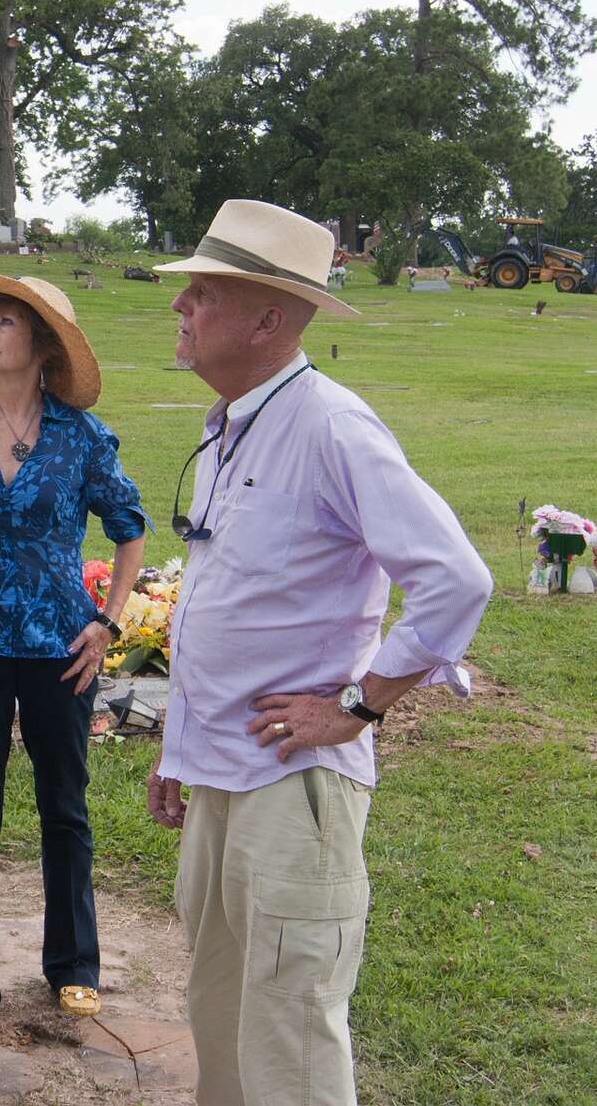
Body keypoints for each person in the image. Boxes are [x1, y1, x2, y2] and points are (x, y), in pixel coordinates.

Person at [145, 200, 491, 1105]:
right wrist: (179, 750)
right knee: (219, 1011)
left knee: (290, 1028)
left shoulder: (333, 426)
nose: (179, 311)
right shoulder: (236, 424)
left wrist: (358, 706)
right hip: (226, 772)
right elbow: (237, 601)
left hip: (293, 786)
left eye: (202, 297)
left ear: (267, 318)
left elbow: (456, 578)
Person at [0, 274, 148, 1050]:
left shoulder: (82, 438)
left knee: (64, 807)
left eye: (6, 323)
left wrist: (107, 623)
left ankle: (73, 963)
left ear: (41, 346)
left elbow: (129, 528)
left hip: (61, 652)